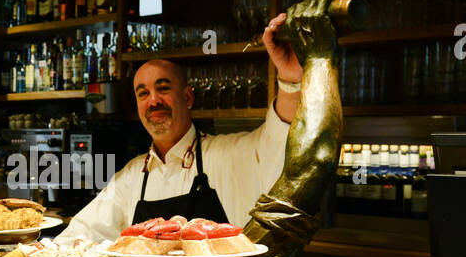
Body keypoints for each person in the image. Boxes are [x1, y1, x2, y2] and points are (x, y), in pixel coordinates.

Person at [59, 14, 305, 245]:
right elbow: (82, 234)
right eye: (143, 93)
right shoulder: (132, 176)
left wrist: (290, 80)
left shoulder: (228, 155)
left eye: (163, 88)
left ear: (188, 97)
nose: (153, 100)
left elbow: (280, 135)